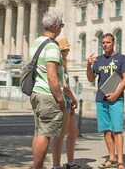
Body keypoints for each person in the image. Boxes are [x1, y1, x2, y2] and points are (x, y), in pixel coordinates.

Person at [86, 33, 125, 169]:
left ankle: (121, 161)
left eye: (108, 42)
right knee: (106, 130)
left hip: (116, 100)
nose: (105, 45)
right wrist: (88, 65)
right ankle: (111, 158)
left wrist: (116, 94)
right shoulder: (98, 60)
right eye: (103, 43)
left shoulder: (121, 58)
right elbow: (90, 79)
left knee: (117, 130)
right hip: (101, 99)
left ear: (114, 43)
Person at [29, 10, 66, 169]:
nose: (62, 28)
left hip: (36, 92)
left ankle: (37, 165)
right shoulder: (52, 45)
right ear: (57, 27)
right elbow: (52, 76)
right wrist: (59, 98)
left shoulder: (36, 42)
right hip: (47, 94)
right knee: (45, 134)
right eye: (62, 26)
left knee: (39, 132)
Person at [51, 37, 81, 169]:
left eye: (68, 48)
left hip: (67, 102)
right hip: (63, 102)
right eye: (65, 48)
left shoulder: (63, 62)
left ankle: (70, 163)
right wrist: (74, 99)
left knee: (73, 132)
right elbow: (65, 87)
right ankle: (56, 165)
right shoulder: (58, 63)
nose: (68, 50)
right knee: (60, 134)